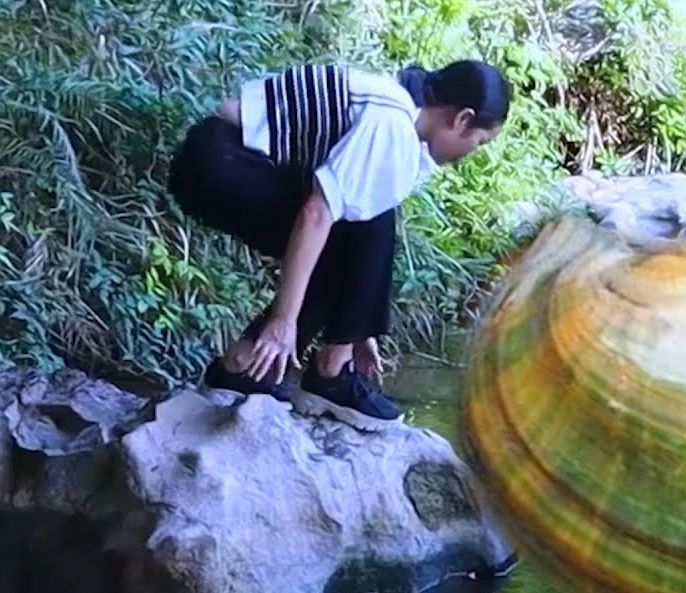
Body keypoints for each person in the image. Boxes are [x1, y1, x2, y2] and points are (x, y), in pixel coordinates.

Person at [167, 60, 511, 431]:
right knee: (349, 236)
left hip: (225, 157)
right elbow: (316, 214)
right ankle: (305, 367)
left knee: (369, 218)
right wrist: (283, 323)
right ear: (461, 119)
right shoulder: (391, 123)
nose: (470, 155)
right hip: (223, 163)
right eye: (479, 142)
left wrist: (355, 323)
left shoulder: (397, 111)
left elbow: (352, 206)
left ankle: (283, 364)